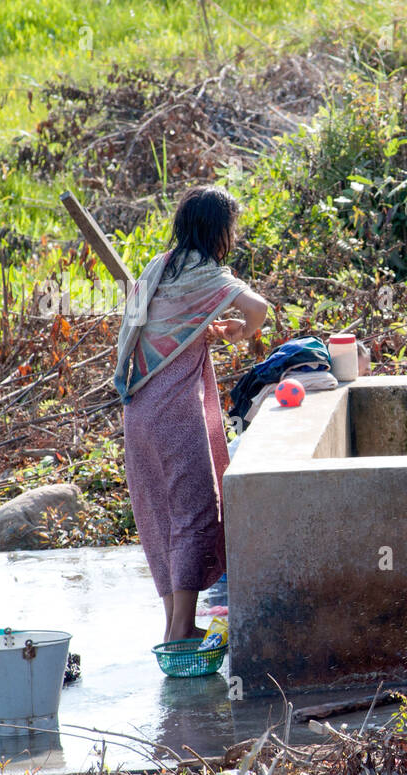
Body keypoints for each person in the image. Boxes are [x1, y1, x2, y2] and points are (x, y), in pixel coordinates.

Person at [115, 185, 269, 642]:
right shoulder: (208, 273)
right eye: (232, 229)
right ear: (219, 231)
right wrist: (243, 332)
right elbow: (259, 309)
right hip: (174, 413)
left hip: (138, 412)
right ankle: (181, 630)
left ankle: (173, 623)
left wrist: (209, 328)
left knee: (159, 515)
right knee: (194, 512)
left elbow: (158, 329)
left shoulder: (158, 267)